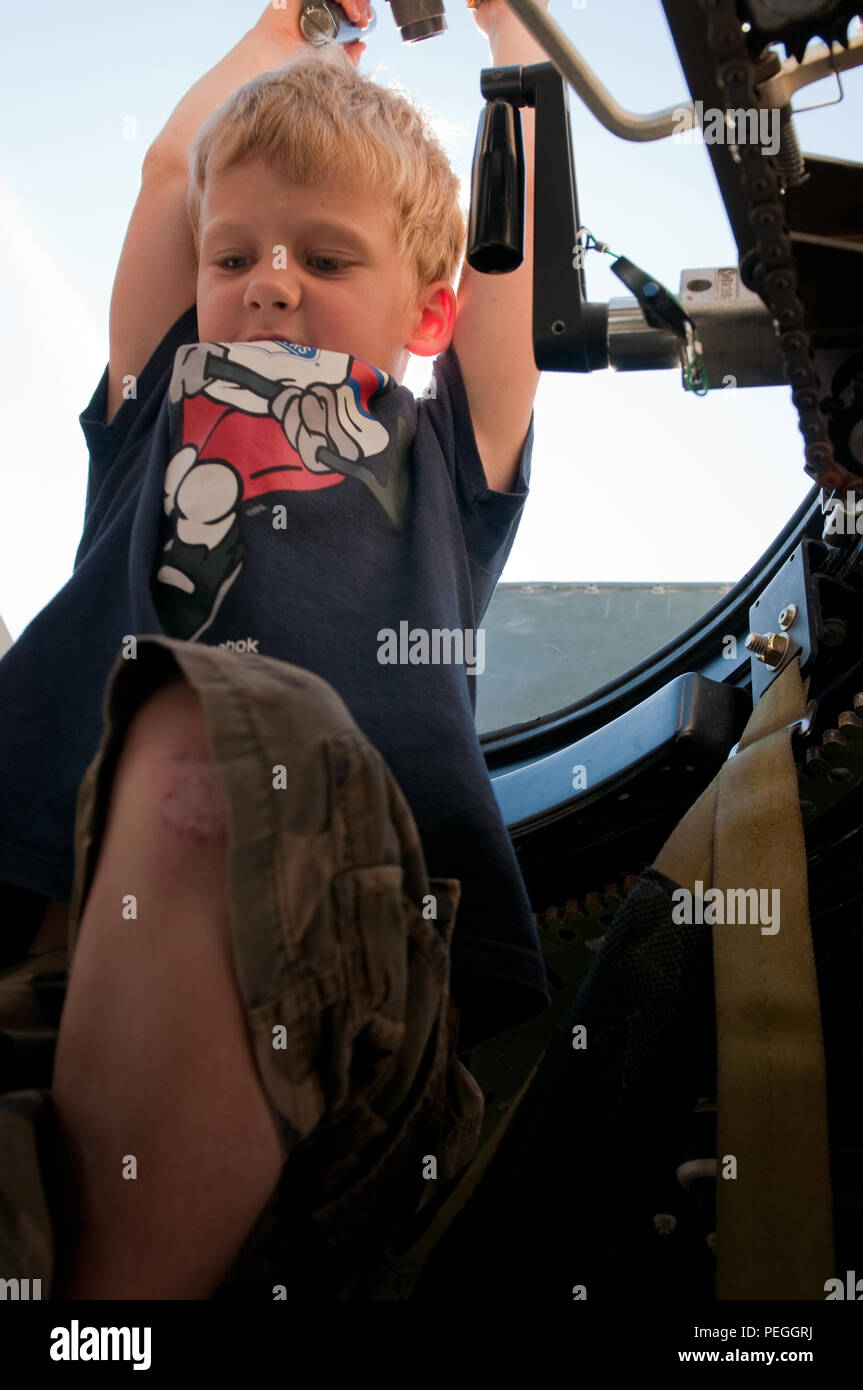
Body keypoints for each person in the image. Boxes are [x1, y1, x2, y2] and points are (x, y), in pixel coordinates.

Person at [0, 0, 553, 1299]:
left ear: (429, 313)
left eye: (327, 255)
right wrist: (291, 24)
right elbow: (169, 180)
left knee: (213, 730)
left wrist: (512, 36)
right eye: (236, 251)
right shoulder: (160, 404)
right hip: (49, 946)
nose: (270, 278)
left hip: (334, 985)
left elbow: (513, 254)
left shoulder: (440, 456)